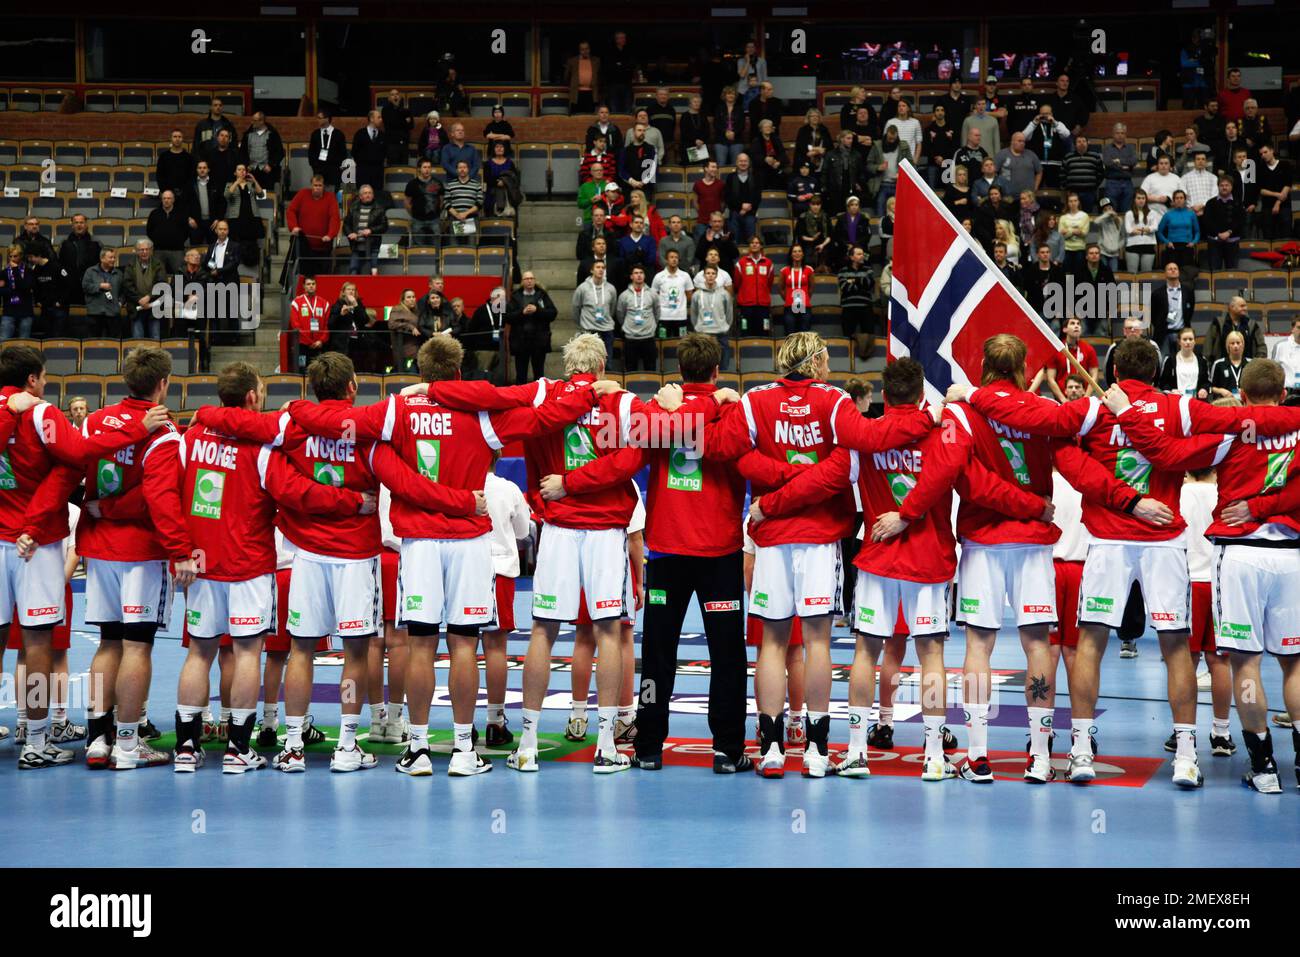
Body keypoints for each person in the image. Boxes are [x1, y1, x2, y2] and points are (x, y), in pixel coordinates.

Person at [754, 356, 1054, 780]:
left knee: (866, 652)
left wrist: (768, 501)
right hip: (927, 559)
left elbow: (826, 478)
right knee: (930, 652)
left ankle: (857, 751)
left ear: (882, 394)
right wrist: (1030, 506)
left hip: (878, 557)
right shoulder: (942, 431)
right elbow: (962, 478)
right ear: (920, 394)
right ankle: (934, 754)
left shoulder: (867, 437)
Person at [953, 338, 1235, 787]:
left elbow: (1053, 441)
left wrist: (971, 394)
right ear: (1160, 366)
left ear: (1115, 367)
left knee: (1086, 645)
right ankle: (1185, 756)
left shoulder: (1090, 409)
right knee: (1176, 648)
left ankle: (1077, 751)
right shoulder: (1179, 407)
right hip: (1163, 539)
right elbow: (1232, 429)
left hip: (1102, 538)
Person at [192, 352, 480, 774]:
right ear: (352, 387)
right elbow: (407, 484)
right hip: (355, 559)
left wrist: (203, 412)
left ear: (312, 389)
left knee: (301, 651)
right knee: (354, 654)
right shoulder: (367, 435)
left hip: (306, 555)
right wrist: (464, 502)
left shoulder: (292, 425)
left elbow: (240, 423)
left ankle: (292, 747)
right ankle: (346, 745)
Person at [699, 334, 938, 777]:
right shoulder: (833, 402)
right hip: (820, 535)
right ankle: (814, 749)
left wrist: (774, 492)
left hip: (771, 536)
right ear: (816, 361)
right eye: (826, 358)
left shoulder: (754, 402)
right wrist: (927, 419)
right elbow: (862, 447)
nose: (829, 365)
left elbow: (720, 449)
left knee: (771, 643)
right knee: (816, 642)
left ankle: (771, 750)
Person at [1097, 361, 1300, 793]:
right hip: (1292, 553)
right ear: (1283, 394)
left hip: (1241, 552)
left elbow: (1167, 455)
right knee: (1294, 663)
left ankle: (1264, 768)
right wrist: (1270, 507)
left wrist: (1128, 414)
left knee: (1245, 662)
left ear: (1243, 396)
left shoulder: (1232, 427)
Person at [507, 335, 701, 773]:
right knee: (609, 633)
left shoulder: (545, 395)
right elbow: (634, 460)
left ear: (568, 366)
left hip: (557, 527)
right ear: (601, 365)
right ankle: (607, 746)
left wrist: (557, 492)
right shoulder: (624, 403)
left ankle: (528, 742)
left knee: (543, 630)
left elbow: (516, 428)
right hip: (605, 531)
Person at [168, 361, 371, 773]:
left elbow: (169, 495)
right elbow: (296, 493)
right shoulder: (265, 446)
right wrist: (351, 502)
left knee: (199, 652)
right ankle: (238, 750)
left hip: (201, 563)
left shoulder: (189, 438)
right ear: (252, 398)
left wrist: (179, 550)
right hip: (249, 564)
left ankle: (187, 749)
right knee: (247, 654)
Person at [0, 348, 172, 769]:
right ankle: (39, 739)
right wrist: (134, 430)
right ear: (34, 380)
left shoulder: (74, 416)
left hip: (12, 535)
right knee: (40, 641)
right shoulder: (41, 415)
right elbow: (78, 457)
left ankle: (90, 737)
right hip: (34, 542)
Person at [480, 454, 531, 746]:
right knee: (496, 648)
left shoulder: (457, 483)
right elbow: (524, 531)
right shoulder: (508, 488)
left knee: (459, 646)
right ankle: (495, 722)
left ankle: (460, 723)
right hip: (499, 570)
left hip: (464, 568)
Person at [287, 176, 340, 278]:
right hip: (303, 246)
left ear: (323, 186)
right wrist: (293, 226)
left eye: (320, 185)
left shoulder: (330, 198)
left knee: (321, 276)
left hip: (323, 247)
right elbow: (291, 210)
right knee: (304, 276)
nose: (317, 188)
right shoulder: (302, 194)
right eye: (315, 185)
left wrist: (330, 235)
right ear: (311, 185)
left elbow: (334, 218)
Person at [572, 260, 619, 360]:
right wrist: (582, 324)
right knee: (588, 362)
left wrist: (607, 318)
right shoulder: (582, 288)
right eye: (598, 267)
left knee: (607, 363)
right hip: (589, 329)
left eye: (603, 268)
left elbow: (613, 308)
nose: (601, 270)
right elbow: (576, 308)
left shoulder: (611, 288)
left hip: (607, 330)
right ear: (592, 270)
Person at [689, 264, 733, 369]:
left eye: (713, 273)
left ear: (716, 276)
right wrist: (698, 327)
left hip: (720, 334)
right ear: (704, 276)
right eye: (708, 273)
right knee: (704, 367)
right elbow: (694, 314)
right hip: (703, 334)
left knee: (723, 368)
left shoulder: (724, 294)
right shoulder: (697, 295)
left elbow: (729, 313)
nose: (710, 276)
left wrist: (725, 326)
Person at [616, 266, 659, 371]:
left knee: (651, 369)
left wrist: (651, 326)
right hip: (631, 338)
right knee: (631, 369)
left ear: (644, 275)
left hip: (648, 337)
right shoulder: (624, 295)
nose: (639, 275)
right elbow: (620, 314)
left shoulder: (652, 294)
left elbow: (657, 312)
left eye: (641, 272)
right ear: (631, 276)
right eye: (636, 273)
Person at [1206, 296, 1267, 365]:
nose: (1245, 308)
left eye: (1245, 306)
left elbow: (1261, 346)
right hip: (1223, 367)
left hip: (1247, 367)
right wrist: (1208, 364)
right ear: (1232, 307)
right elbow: (1208, 346)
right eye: (1242, 306)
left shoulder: (1252, 324)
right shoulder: (1218, 323)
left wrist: (1257, 363)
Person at [342, 184, 388, 277]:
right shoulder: (353, 208)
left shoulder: (379, 208)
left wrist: (371, 230)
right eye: (365, 193)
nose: (368, 195)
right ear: (360, 196)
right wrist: (350, 233)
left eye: (370, 193)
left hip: (373, 245)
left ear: (373, 195)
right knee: (353, 271)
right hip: (356, 245)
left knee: (374, 273)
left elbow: (384, 226)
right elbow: (346, 225)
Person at [289, 275, 330, 370]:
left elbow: (327, 326)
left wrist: (321, 340)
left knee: (318, 371)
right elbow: (295, 325)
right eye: (308, 284)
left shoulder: (324, 303)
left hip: (319, 346)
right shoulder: (296, 302)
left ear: (316, 286)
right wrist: (310, 342)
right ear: (304, 286)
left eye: (313, 284)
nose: (311, 286)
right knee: (302, 370)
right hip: (302, 345)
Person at [1158, 327, 1210, 400]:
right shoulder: (1170, 360)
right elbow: (1163, 384)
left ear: (1195, 341)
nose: (1188, 342)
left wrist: (1204, 389)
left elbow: (1206, 382)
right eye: (1185, 339)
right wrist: (1171, 391)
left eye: (1190, 339)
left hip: (1196, 401)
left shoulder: (1202, 360)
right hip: (1176, 400)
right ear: (1179, 341)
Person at [404, 159, 443, 249]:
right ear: (419, 169)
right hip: (417, 220)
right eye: (424, 167)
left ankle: (436, 262)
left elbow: (441, 201)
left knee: (436, 247)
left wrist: (436, 214)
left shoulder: (438, 183)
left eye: (429, 167)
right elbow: (407, 202)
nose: (427, 170)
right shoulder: (412, 184)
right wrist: (414, 214)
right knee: (418, 247)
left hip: (434, 220)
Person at [1156, 190, 1199, 270]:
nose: (1179, 200)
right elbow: (1159, 232)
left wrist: (1194, 242)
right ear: (1173, 200)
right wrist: (1167, 242)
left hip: (1187, 247)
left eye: (1181, 198)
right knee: (1172, 272)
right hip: (1172, 247)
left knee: (1186, 273)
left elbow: (1197, 232)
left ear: (1185, 200)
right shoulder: (1168, 215)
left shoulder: (1191, 214)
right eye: (1177, 198)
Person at [350, 109, 388, 200]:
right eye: (378, 117)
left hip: (377, 174)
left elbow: (385, 153)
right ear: (371, 119)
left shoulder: (383, 135)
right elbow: (354, 152)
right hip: (363, 172)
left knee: (377, 197)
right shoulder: (360, 134)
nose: (381, 120)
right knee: (363, 197)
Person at [1101, 122, 1138, 212]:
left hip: (1127, 183)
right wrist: (1126, 166)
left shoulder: (1130, 148)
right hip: (1112, 183)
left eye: (1122, 133)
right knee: (1110, 211)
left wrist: (1119, 161)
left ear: (1125, 135)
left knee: (1127, 211)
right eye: (1117, 133)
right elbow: (1107, 162)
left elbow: (1133, 161)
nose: (1120, 135)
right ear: (1113, 134)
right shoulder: (1107, 148)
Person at [723, 153, 761, 242]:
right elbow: (728, 197)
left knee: (751, 241)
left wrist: (747, 209)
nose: (743, 163)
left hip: (750, 213)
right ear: (736, 162)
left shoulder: (756, 177)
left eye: (745, 161)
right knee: (734, 241)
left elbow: (757, 197)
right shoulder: (730, 177)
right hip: (735, 213)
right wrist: (741, 206)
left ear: (749, 163)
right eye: (741, 161)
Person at [778, 243, 813, 336]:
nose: (797, 253)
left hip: (805, 306)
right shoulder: (784, 270)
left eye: (799, 251)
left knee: (804, 335)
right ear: (791, 254)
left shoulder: (809, 270)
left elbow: (811, 288)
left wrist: (805, 298)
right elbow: (780, 288)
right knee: (790, 335)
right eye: (794, 251)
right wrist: (788, 299)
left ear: (803, 254)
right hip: (789, 307)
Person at [1124, 188, 1160, 273]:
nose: (1141, 200)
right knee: (1132, 274)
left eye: (1143, 198)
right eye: (1139, 198)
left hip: (1148, 245)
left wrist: (1138, 230)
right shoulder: (1129, 214)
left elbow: (1155, 227)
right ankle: (1134, 287)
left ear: (1146, 200)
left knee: (1146, 275)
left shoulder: (1152, 213)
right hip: (1132, 245)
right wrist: (1147, 230)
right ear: (1134, 200)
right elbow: (1128, 230)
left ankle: (1145, 287)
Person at [308, 112, 346, 189]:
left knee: (332, 196)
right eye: (317, 118)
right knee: (318, 195)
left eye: (320, 118)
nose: (318, 120)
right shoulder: (315, 134)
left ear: (327, 119)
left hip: (334, 171)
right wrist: (315, 166)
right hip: (319, 170)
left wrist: (336, 167)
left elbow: (343, 154)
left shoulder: (338, 134)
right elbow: (311, 153)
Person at [155, 129, 196, 202]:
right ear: (171, 139)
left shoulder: (189, 157)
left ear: (182, 139)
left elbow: (192, 177)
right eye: (175, 136)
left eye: (179, 137)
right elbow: (160, 176)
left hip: (185, 195)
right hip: (168, 195)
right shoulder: (164, 157)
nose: (177, 139)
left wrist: (185, 192)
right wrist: (166, 192)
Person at [1209, 331, 1250, 400]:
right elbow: (1211, 388)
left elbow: (1256, 386)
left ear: (1243, 345)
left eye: (1238, 343)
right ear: (1228, 346)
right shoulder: (1219, 364)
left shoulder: (1250, 364)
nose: (1235, 346)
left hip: (1245, 404)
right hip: (1225, 403)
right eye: (1232, 343)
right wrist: (1221, 391)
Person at [565, 41, 601, 115]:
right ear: (579, 50)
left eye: (586, 49)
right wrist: (572, 86)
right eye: (582, 49)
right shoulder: (572, 61)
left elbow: (600, 76)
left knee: (590, 116)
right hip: (577, 93)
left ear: (589, 49)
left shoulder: (596, 60)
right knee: (576, 116)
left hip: (591, 93)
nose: (585, 51)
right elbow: (566, 76)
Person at [381, 89, 414, 166]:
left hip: (404, 143)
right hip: (392, 143)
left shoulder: (406, 110)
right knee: (393, 166)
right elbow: (391, 124)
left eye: (397, 94)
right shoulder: (385, 110)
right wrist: (405, 121)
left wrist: (400, 121)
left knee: (405, 167)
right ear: (389, 98)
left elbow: (411, 125)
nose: (395, 96)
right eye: (392, 94)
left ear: (400, 97)